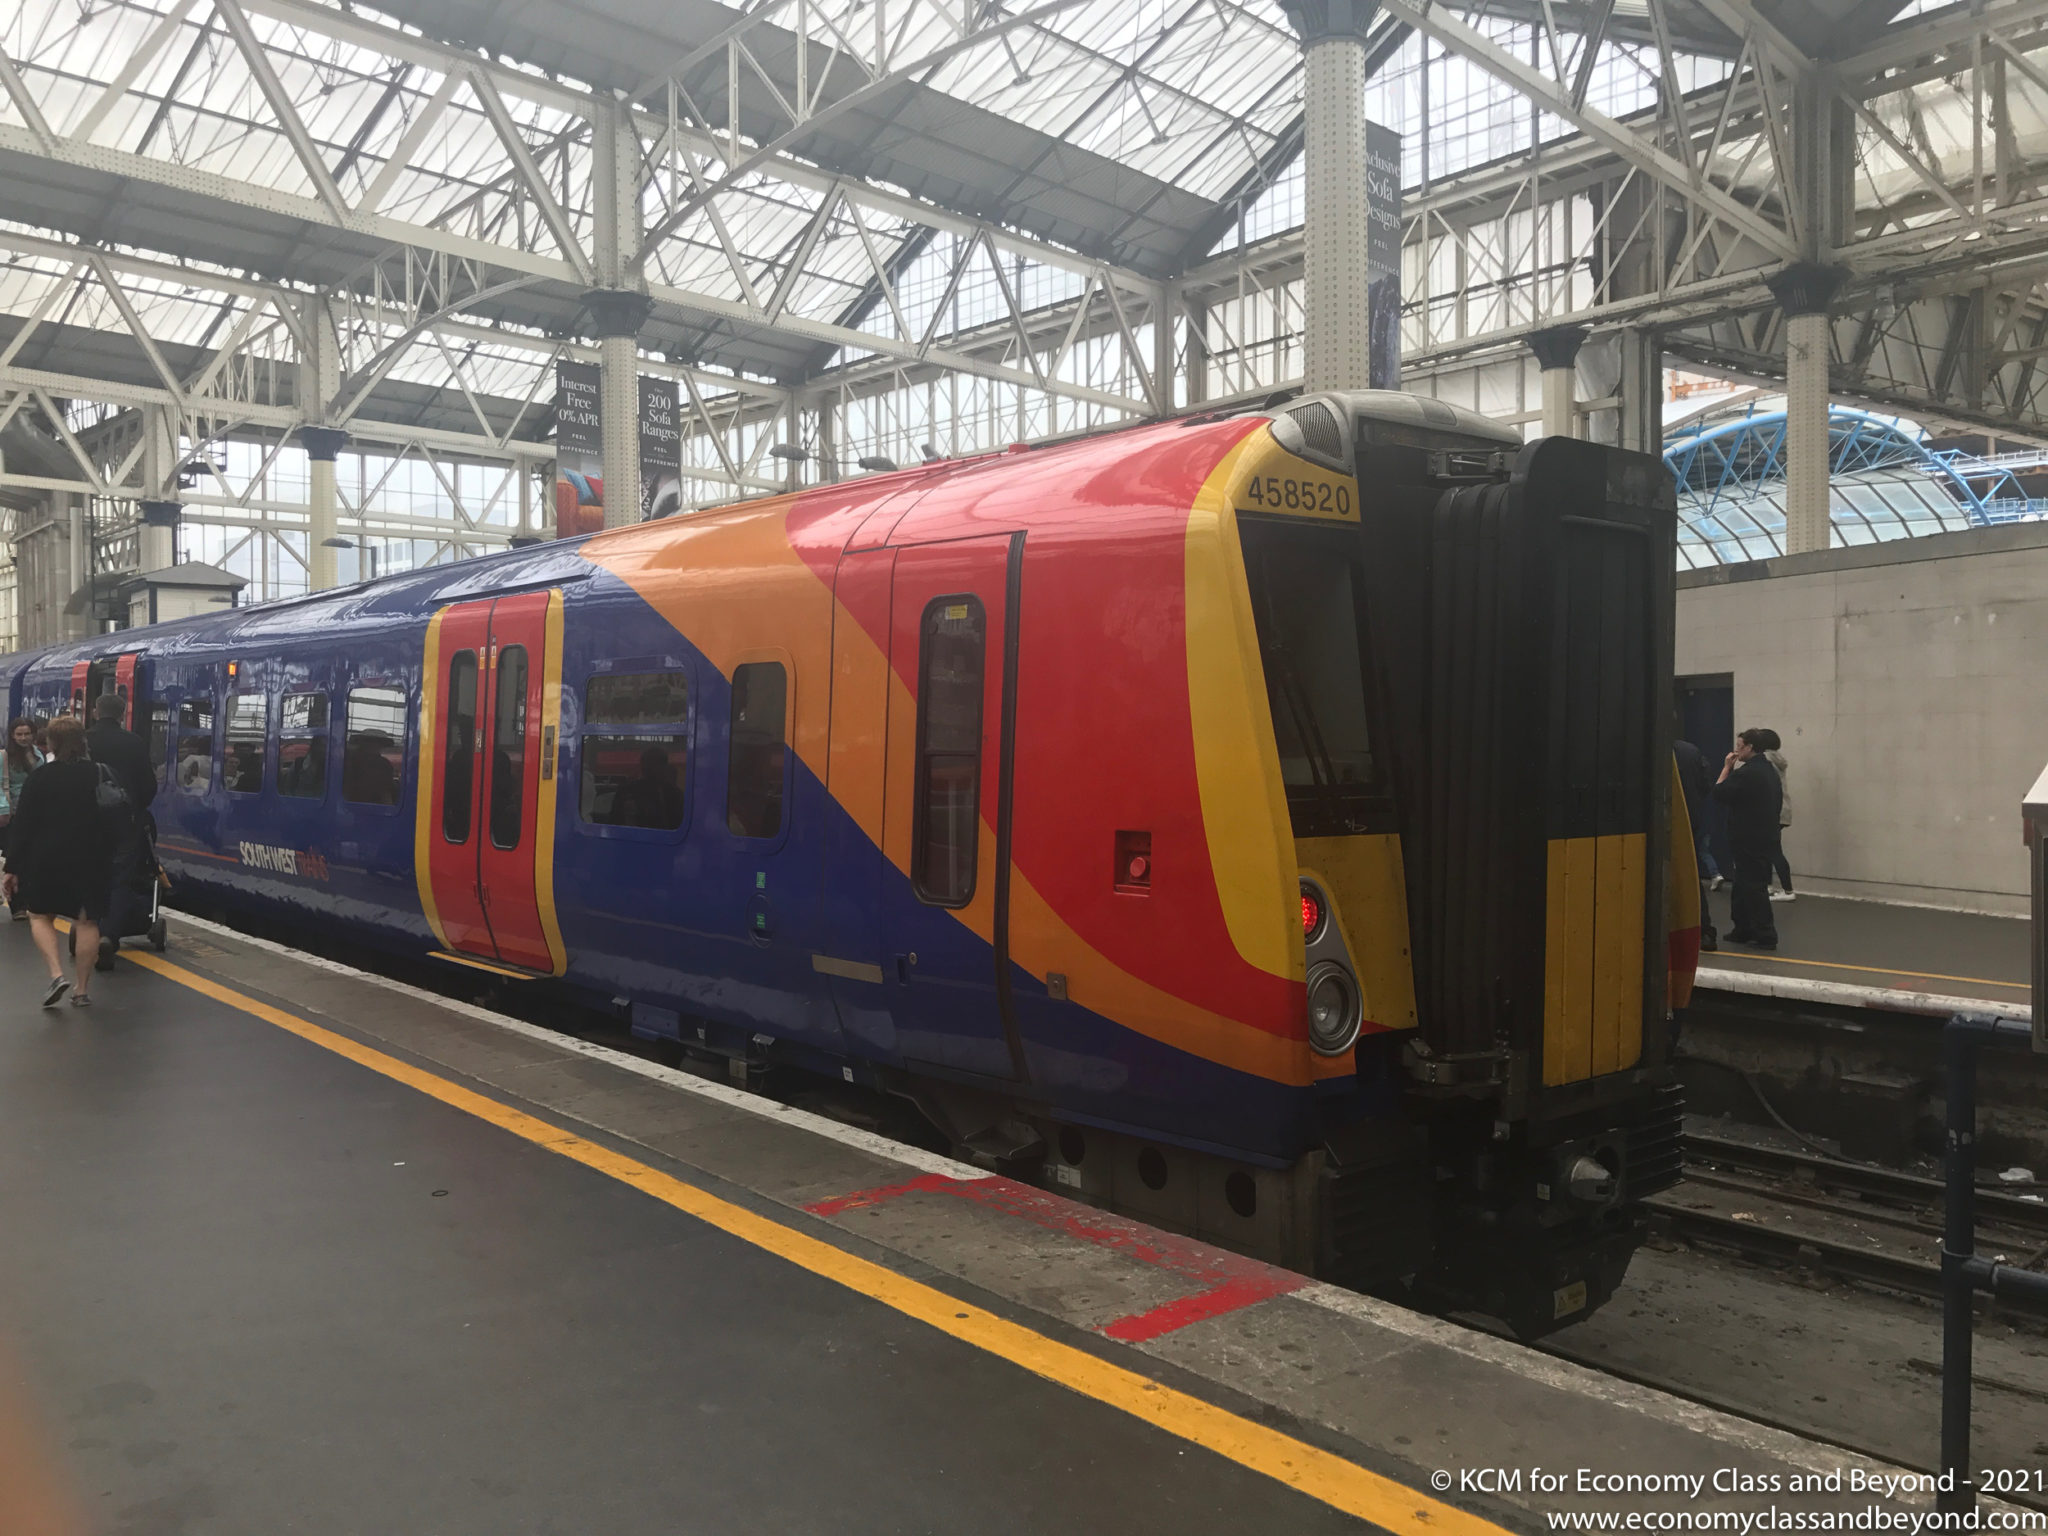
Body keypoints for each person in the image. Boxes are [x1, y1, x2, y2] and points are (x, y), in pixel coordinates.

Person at [2, 716, 118, 1007]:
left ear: (50, 742)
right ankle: (81, 991)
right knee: (87, 921)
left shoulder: (40, 777)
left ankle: (56, 975)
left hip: (47, 858)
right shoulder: (102, 773)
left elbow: (24, 826)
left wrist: (11, 868)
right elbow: (116, 816)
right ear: (83, 742)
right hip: (92, 857)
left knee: (40, 916)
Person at [86, 695, 157, 970]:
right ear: (122, 713)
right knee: (121, 879)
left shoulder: (85, 740)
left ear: (94, 712)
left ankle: (90, 931)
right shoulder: (134, 742)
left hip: (89, 822)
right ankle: (108, 935)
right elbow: (148, 785)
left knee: (92, 876)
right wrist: (136, 808)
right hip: (125, 821)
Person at [1711, 727, 1783, 950]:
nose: (1736, 750)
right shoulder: (1769, 770)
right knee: (1744, 885)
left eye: (1740, 746)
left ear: (1750, 748)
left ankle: (1765, 933)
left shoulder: (1746, 773)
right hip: (1765, 836)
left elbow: (1719, 793)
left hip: (1747, 838)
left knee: (1752, 886)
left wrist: (1726, 767)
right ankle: (1742, 929)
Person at [1674, 735, 1717, 952]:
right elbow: (1706, 784)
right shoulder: (1690, 750)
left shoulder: (1645, 750)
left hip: (1656, 824)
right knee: (1691, 879)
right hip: (1689, 820)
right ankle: (1704, 932)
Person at [3, 719, 44, 921]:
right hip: (11, 813)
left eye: (26, 733)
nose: (23, 738)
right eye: (19, 734)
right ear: (12, 736)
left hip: (33, 813)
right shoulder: (4, 757)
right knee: (14, 856)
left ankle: (25, 900)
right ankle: (17, 904)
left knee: (28, 858)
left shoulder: (38, 755)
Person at [1754, 726, 1795, 902]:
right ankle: (1768, 886)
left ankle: (1787, 891)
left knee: (1773, 850)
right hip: (1782, 809)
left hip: (1773, 810)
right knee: (1768, 849)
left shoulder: (1765, 760)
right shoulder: (1777, 758)